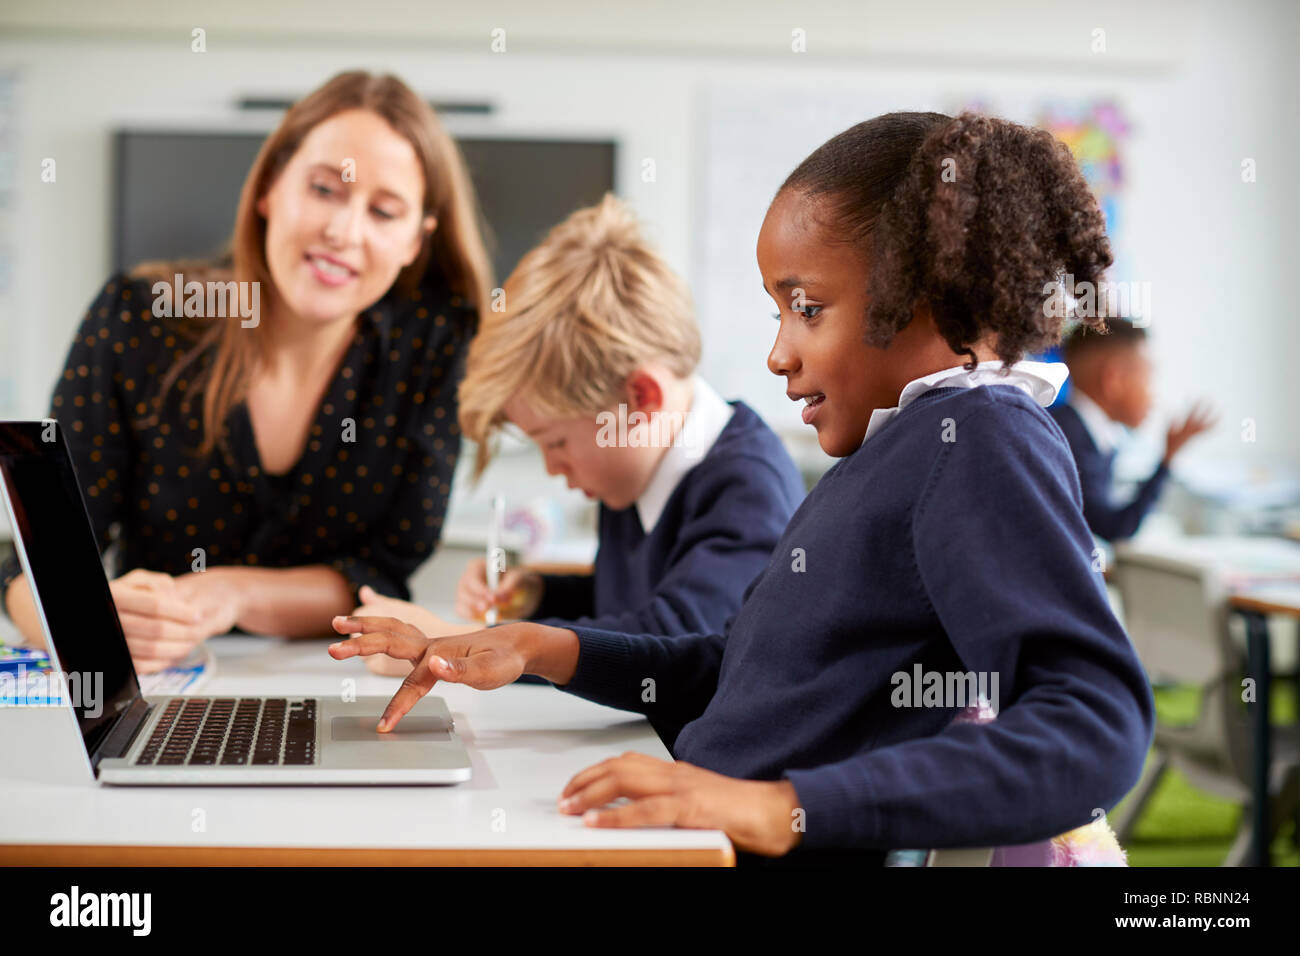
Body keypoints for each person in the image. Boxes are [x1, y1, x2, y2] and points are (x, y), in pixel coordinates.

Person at [329, 112, 1155, 865]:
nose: (779, 355)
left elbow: (1097, 724)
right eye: (777, 315)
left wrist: (779, 809)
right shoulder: (894, 454)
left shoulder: (981, 437)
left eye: (809, 309)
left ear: (927, 298)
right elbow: (742, 671)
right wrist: (539, 645)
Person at [0, 71, 492, 672]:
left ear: (418, 239)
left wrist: (229, 592)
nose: (344, 232)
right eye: (323, 190)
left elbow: (380, 573)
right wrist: (73, 617)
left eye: (385, 212)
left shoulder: (435, 350)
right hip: (168, 684)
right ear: (269, 190)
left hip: (335, 684)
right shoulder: (140, 317)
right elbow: (39, 552)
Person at [353, 194, 804, 678]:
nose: (552, 467)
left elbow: (667, 644)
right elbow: (627, 605)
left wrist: (456, 643)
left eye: (557, 442)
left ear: (641, 398)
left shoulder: (746, 491)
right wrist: (539, 594)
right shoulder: (636, 469)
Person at [1049, 319, 1215, 541]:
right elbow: (1113, 528)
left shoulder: (1084, 431)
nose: (1153, 396)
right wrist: (1167, 459)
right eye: (1147, 378)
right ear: (1114, 379)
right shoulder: (1070, 438)